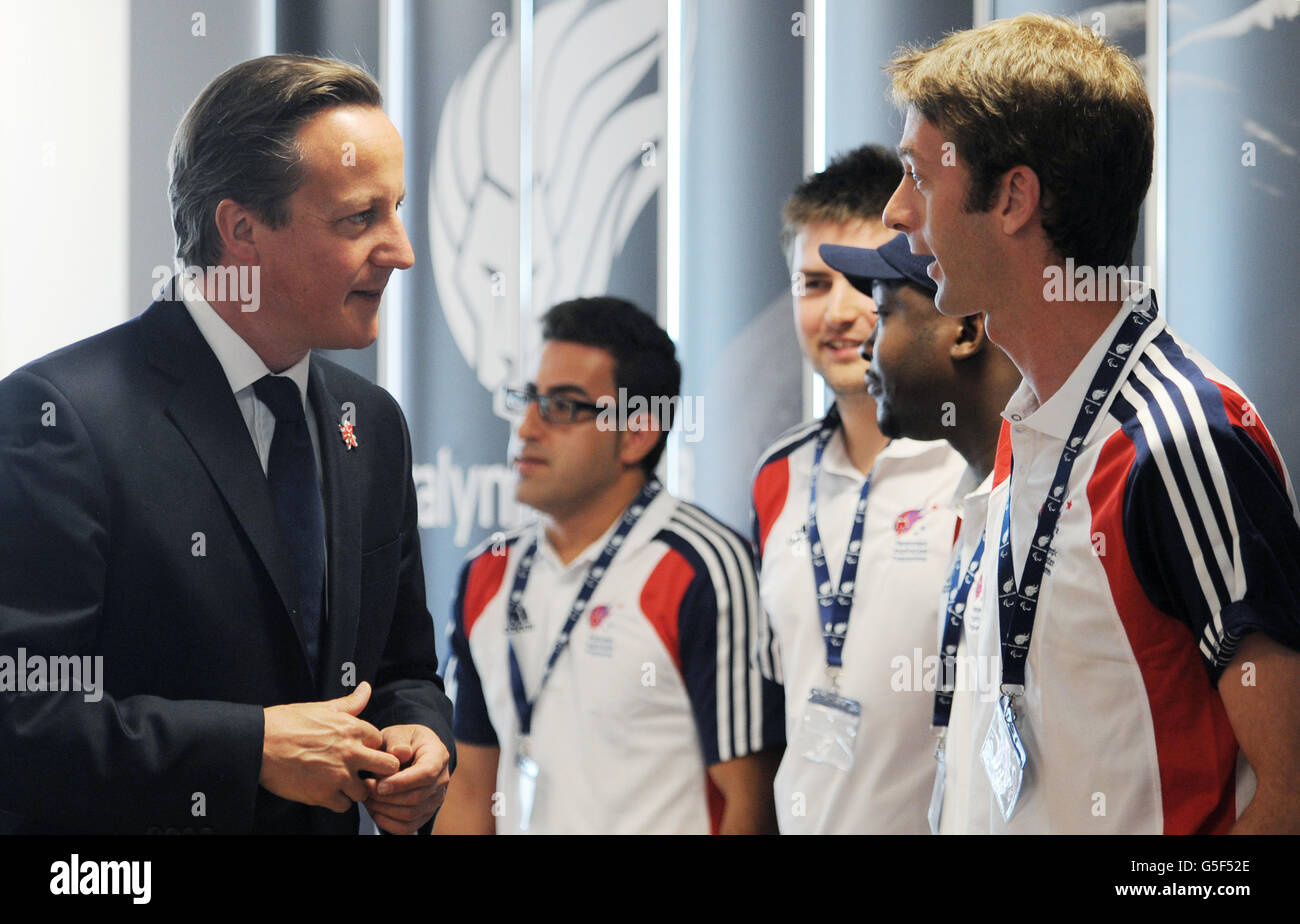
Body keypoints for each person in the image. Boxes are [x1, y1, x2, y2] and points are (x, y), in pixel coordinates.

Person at [0, 55, 454, 834]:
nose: (402, 251)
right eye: (358, 219)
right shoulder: (59, 416)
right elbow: (22, 718)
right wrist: (251, 747)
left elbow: (401, 669)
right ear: (241, 230)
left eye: (398, 211)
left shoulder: (370, 422)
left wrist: (420, 737)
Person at [883, 13, 1300, 833]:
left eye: (918, 177)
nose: (898, 212)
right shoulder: (1028, 432)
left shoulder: (1182, 436)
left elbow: (1290, 795)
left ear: (1012, 198)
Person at [435, 297, 783, 834]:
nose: (527, 427)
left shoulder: (703, 567)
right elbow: (470, 788)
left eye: (564, 406)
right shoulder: (488, 572)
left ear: (637, 434)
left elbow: (750, 802)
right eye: (528, 399)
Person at [751, 147, 967, 833]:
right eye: (813, 284)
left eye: (862, 286)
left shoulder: (979, 466)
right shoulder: (776, 476)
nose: (839, 313)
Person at [820, 234, 1021, 834]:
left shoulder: (1078, 489)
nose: (865, 350)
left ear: (964, 331)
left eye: (883, 315)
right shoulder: (978, 493)